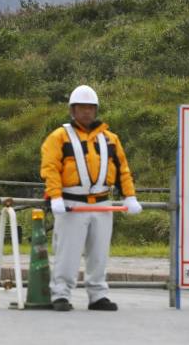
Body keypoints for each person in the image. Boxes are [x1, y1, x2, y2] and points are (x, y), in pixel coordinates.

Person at [40, 84, 142, 311]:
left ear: (96, 110)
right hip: (71, 204)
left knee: (99, 253)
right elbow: (50, 168)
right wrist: (55, 197)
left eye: (90, 108)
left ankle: (97, 295)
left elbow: (123, 169)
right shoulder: (59, 137)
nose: (86, 112)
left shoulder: (110, 139)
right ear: (72, 110)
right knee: (67, 253)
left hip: (103, 203)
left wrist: (130, 197)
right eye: (81, 108)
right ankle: (60, 295)